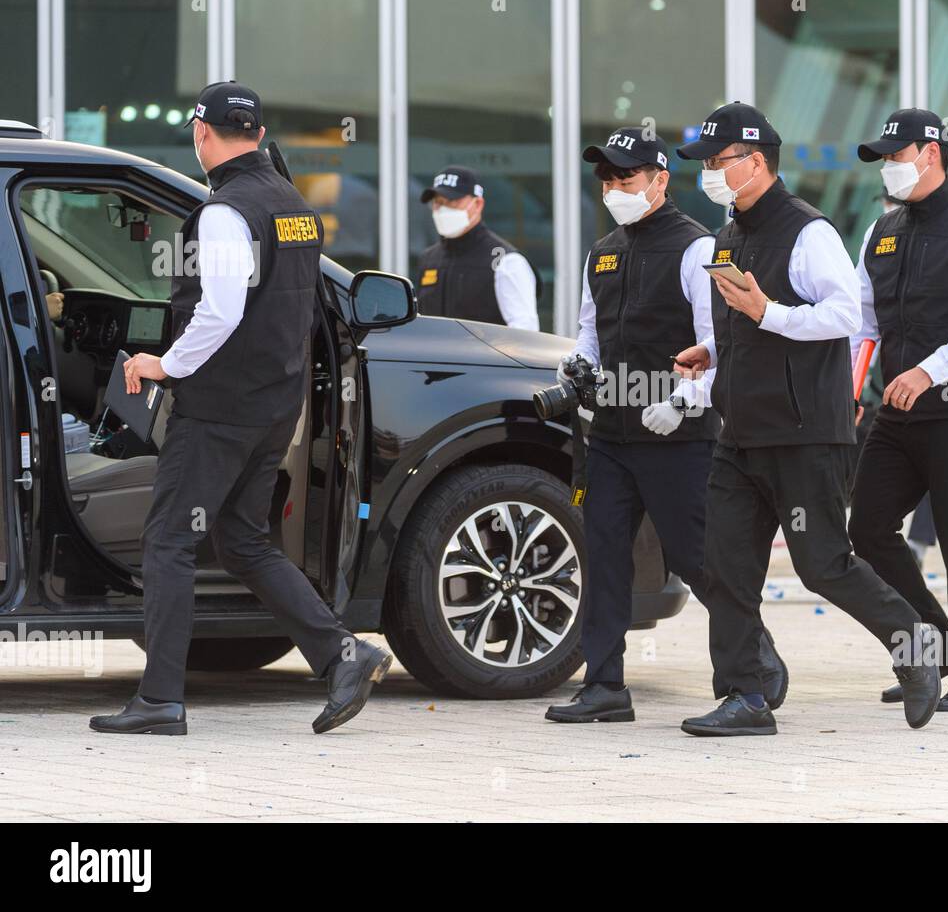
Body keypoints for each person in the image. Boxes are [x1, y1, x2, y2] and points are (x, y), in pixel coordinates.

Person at [90, 81, 391, 736]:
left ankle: (162, 699)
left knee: (170, 538)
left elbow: (220, 310)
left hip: (220, 409)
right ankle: (346, 656)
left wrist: (161, 365)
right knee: (242, 539)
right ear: (255, 133)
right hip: (272, 407)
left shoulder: (227, 212)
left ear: (203, 135)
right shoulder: (291, 204)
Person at [673, 102, 940, 737]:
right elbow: (748, 318)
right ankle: (746, 694)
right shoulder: (728, 232)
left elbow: (846, 316)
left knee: (822, 563)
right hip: (739, 429)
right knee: (725, 564)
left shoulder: (808, 231)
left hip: (803, 432)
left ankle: (914, 643)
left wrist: (771, 314)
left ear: (755, 162)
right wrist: (713, 351)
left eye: (718, 162)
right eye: (706, 163)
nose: (709, 174)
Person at [543, 126, 788, 724]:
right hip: (611, 434)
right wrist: (578, 364)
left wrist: (683, 401)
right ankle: (604, 685)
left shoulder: (698, 249)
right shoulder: (602, 251)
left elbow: (720, 341)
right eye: (606, 177)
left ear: (659, 179)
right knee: (602, 556)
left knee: (697, 557)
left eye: (624, 176)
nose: (613, 187)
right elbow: (590, 333)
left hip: (678, 436)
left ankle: (754, 662)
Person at [848, 108, 948, 712]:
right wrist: (849, 386)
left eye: (895, 156)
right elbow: (863, 323)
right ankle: (934, 645)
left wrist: (927, 371)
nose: (888, 167)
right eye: (884, 160)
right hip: (895, 411)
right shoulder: (880, 232)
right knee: (865, 530)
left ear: (931, 153)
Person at [414, 165, 540, 329]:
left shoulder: (505, 260)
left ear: (478, 204)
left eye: (452, 201)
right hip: (433, 355)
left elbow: (525, 331)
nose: (442, 209)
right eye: (438, 202)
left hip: (484, 355)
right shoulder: (428, 258)